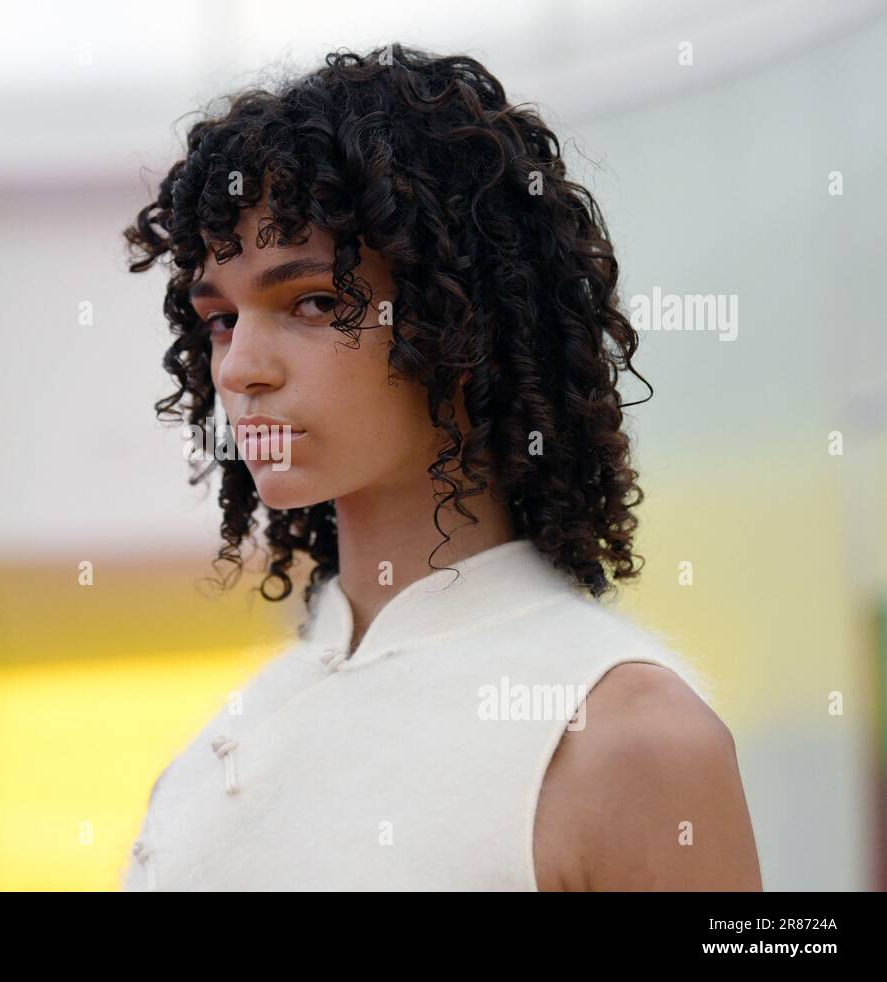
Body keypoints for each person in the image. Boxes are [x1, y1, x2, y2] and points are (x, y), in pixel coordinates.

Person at [119, 43, 762, 890]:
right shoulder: (201, 769)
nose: (240, 369)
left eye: (313, 302)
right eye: (222, 319)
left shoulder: (627, 738)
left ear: (460, 321)